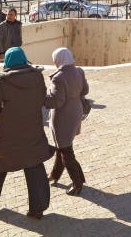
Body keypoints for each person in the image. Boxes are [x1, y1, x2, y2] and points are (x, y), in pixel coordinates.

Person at [0, 47, 54, 219]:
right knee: (34, 165)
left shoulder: (1, 83)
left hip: (8, 134)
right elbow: (42, 100)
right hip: (32, 130)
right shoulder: (37, 77)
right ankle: (37, 209)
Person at [45, 48, 89, 196]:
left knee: (65, 150)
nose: (54, 62)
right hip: (76, 111)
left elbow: (57, 101)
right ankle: (55, 174)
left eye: (55, 60)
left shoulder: (59, 77)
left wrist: (45, 96)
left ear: (59, 60)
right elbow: (85, 90)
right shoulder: (79, 71)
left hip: (63, 116)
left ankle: (78, 181)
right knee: (62, 146)